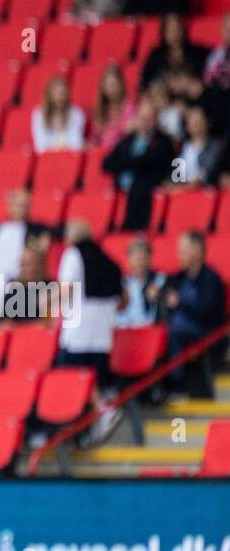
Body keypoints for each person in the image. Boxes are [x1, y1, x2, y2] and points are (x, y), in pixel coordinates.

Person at [160, 231, 227, 398]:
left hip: (209, 332)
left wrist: (180, 302)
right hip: (182, 330)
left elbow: (209, 312)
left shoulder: (211, 278)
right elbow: (165, 298)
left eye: (183, 251)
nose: (179, 256)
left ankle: (176, 384)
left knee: (175, 330)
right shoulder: (178, 278)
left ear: (197, 251)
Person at [56, 219, 122, 379]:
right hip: (102, 338)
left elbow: (66, 288)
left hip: (77, 336)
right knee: (96, 381)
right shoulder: (110, 262)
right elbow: (123, 299)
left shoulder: (73, 254)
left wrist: (38, 304)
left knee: (71, 383)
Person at [103, 100, 175, 232]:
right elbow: (107, 163)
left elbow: (149, 162)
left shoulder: (163, 141)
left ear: (156, 120)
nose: (145, 123)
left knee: (140, 188)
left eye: (149, 119)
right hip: (121, 188)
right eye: (142, 118)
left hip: (144, 190)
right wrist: (132, 162)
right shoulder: (129, 139)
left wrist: (126, 162)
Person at [0, 187, 52, 284]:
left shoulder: (36, 230)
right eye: (19, 205)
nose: (22, 209)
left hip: (20, 281)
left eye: (26, 206)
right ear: (9, 206)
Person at [141, 13, 207, 90]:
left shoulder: (198, 53)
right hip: (162, 99)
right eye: (170, 30)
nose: (174, 34)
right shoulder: (155, 55)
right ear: (163, 32)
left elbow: (204, 81)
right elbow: (145, 83)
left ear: (184, 30)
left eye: (177, 29)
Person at [32, 76, 86, 153]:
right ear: (49, 95)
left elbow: (76, 143)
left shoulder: (76, 113)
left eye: (63, 93)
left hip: (70, 156)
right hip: (47, 158)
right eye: (56, 93)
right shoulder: (39, 114)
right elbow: (40, 146)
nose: (60, 97)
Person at [91, 63, 136, 151]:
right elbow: (95, 138)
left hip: (123, 151)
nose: (112, 89)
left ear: (121, 85)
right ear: (103, 88)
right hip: (103, 153)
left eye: (114, 85)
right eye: (109, 86)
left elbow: (129, 131)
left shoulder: (129, 105)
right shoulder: (100, 110)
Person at [176, 105, 222, 185]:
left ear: (207, 122)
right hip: (182, 192)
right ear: (187, 125)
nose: (196, 123)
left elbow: (206, 172)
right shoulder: (181, 147)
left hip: (205, 193)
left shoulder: (215, 146)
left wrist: (190, 184)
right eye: (192, 120)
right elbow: (176, 175)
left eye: (199, 120)